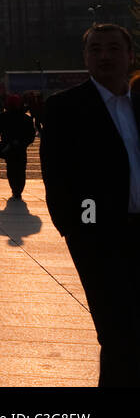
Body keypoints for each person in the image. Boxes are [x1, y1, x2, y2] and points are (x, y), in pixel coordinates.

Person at [40, 24, 140, 386]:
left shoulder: (137, 104)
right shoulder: (66, 108)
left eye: (114, 48)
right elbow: (56, 174)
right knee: (117, 334)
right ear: (85, 58)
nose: (105, 56)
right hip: (100, 240)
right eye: (95, 49)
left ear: (130, 56)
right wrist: (76, 229)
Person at [0, 95, 36, 200]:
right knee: (21, 170)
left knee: (11, 169)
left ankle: (15, 189)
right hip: (21, 148)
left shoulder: (3, 116)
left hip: (8, 148)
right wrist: (23, 143)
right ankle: (18, 190)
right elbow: (31, 135)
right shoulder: (26, 118)